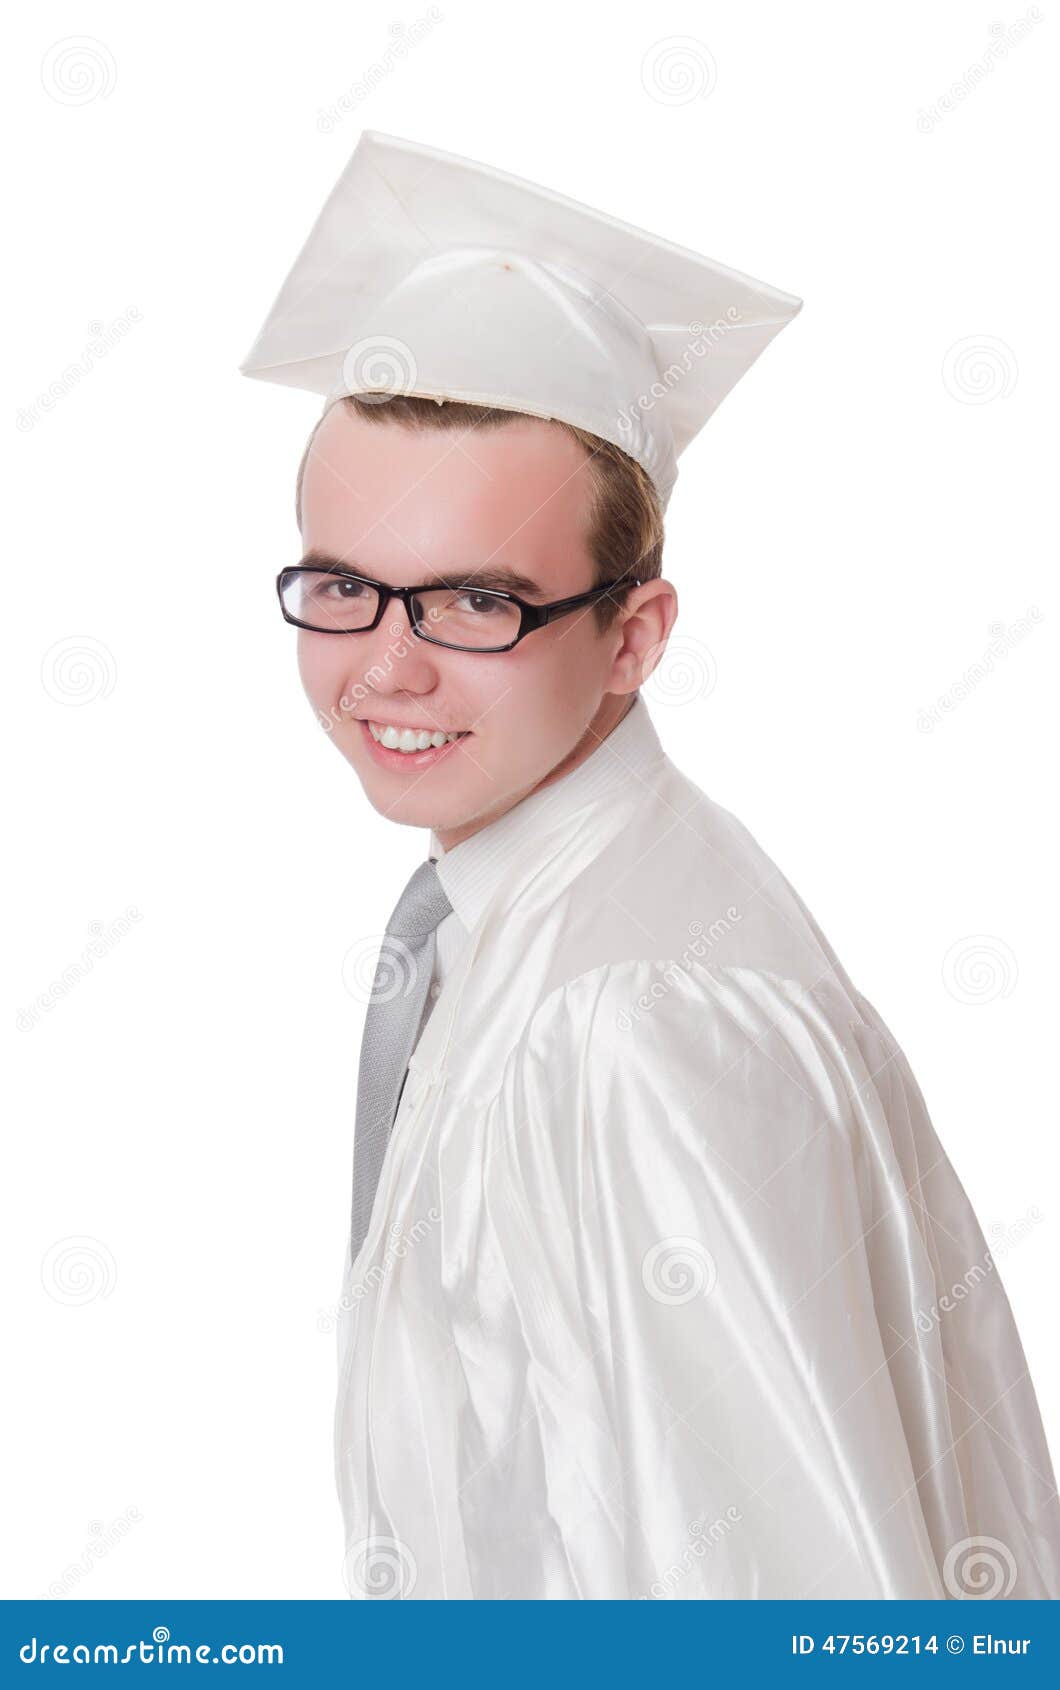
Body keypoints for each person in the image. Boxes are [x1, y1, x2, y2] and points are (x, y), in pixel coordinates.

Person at [241, 131, 1060, 1600]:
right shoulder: (521, 916)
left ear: (635, 634)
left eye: (477, 602)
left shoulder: (634, 1023)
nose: (389, 667)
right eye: (346, 585)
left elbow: (799, 1612)